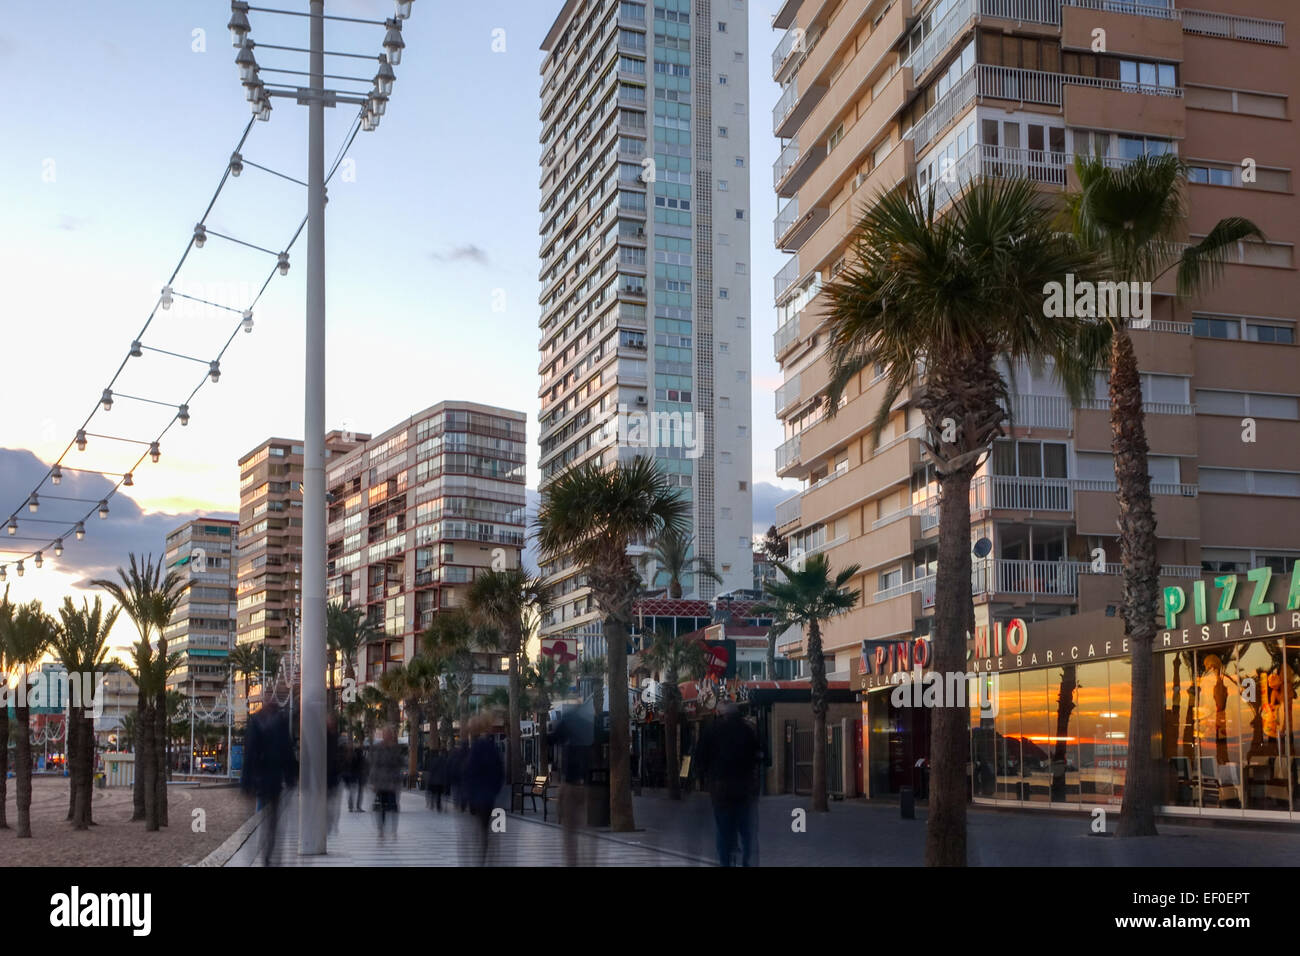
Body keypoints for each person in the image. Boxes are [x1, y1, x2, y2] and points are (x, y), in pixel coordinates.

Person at [695, 701, 760, 867]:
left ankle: (725, 862)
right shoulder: (747, 730)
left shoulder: (711, 731)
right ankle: (747, 861)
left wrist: (705, 776)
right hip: (744, 789)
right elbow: (759, 754)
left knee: (723, 831)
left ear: (719, 714)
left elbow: (700, 758)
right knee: (747, 832)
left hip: (721, 789)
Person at [240, 698, 295, 866]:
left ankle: (267, 853)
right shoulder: (264, 722)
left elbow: (286, 752)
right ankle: (267, 853)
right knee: (270, 819)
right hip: (266, 779)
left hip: (268, 780)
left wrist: (290, 775)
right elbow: (250, 753)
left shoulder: (266, 722)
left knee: (270, 819)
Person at [551, 703, 594, 866]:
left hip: (570, 784)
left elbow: (552, 738)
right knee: (583, 826)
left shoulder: (568, 721)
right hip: (585, 786)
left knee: (569, 831)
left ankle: (573, 863)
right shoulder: (587, 725)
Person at [463, 717, 504, 865]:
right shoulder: (493, 747)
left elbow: (469, 773)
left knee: (481, 828)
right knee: (487, 828)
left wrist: (469, 795)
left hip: (478, 796)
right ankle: (488, 855)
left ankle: (481, 857)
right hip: (490, 796)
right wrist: (495, 790)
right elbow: (500, 771)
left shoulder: (476, 748)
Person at [370, 725, 403, 842]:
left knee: (393, 807)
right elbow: (374, 765)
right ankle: (381, 830)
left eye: (388, 733)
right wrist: (373, 782)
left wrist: (398, 782)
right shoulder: (378, 747)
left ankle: (394, 829)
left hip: (392, 783)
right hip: (381, 783)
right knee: (381, 807)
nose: (387, 735)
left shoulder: (396, 749)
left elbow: (399, 766)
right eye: (385, 733)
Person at [348, 738, 367, 812]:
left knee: (356, 791)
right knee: (355, 791)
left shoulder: (359, 753)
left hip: (357, 774)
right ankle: (355, 806)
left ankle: (354, 806)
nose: (360, 744)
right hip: (355, 774)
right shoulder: (356, 753)